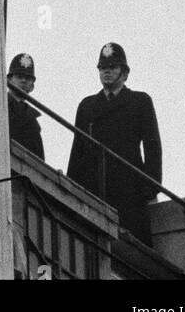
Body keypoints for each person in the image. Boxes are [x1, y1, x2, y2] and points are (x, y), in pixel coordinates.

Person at [66, 42, 163, 245]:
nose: (107, 72)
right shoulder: (87, 106)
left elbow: (152, 146)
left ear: (124, 73)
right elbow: (78, 151)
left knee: (133, 251)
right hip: (95, 188)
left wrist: (151, 187)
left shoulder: (140, 102)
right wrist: (71, 188)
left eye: (113, 67)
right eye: (103, 68)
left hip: (130, 189)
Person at [0, 53, 45, 161]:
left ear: (32, 86)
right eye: (19, 76)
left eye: (28, 78)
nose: (23, 80)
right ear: (8, 80)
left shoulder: (33, 123)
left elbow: (39, 161)